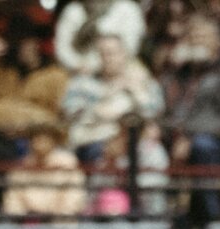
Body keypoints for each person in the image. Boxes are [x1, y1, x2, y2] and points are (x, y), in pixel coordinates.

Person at [160, 13, 220, 223]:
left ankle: (209, 217)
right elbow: (161, 109)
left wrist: (190, 135)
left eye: (203, 37)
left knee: (202, 146)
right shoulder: (177, 74)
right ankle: (151, 214)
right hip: (172, 137)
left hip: (215, 141)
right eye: (192, 37)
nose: (197, 41)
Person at [60, 31, 162, 163]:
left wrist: (137, 93)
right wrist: (98, 108)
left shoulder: (142, 81)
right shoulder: (82, 83)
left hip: (134, 140)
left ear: (124, 54)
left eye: (112, 53)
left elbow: (156, 111)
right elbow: (69, 112)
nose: (108, 58)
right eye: (103, 53)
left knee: (155, 153)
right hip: (93, 141)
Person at [2, 118, 85, 218]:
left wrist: (59, 217)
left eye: (46, 136)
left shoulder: (68, 163)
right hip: (27, 222)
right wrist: (20, 219)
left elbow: (74, 197)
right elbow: (13, 200)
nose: (40, 140)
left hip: (60, 222)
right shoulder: (20, 168)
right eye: (36, 136)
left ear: (54, 140)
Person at [52, 0, 143, 76]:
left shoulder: (127, 9)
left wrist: (98, 66)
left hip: (116, 71)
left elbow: (130, 47)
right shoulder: (73, 10)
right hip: (75, 71)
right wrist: (77, 65)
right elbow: (62, 47)